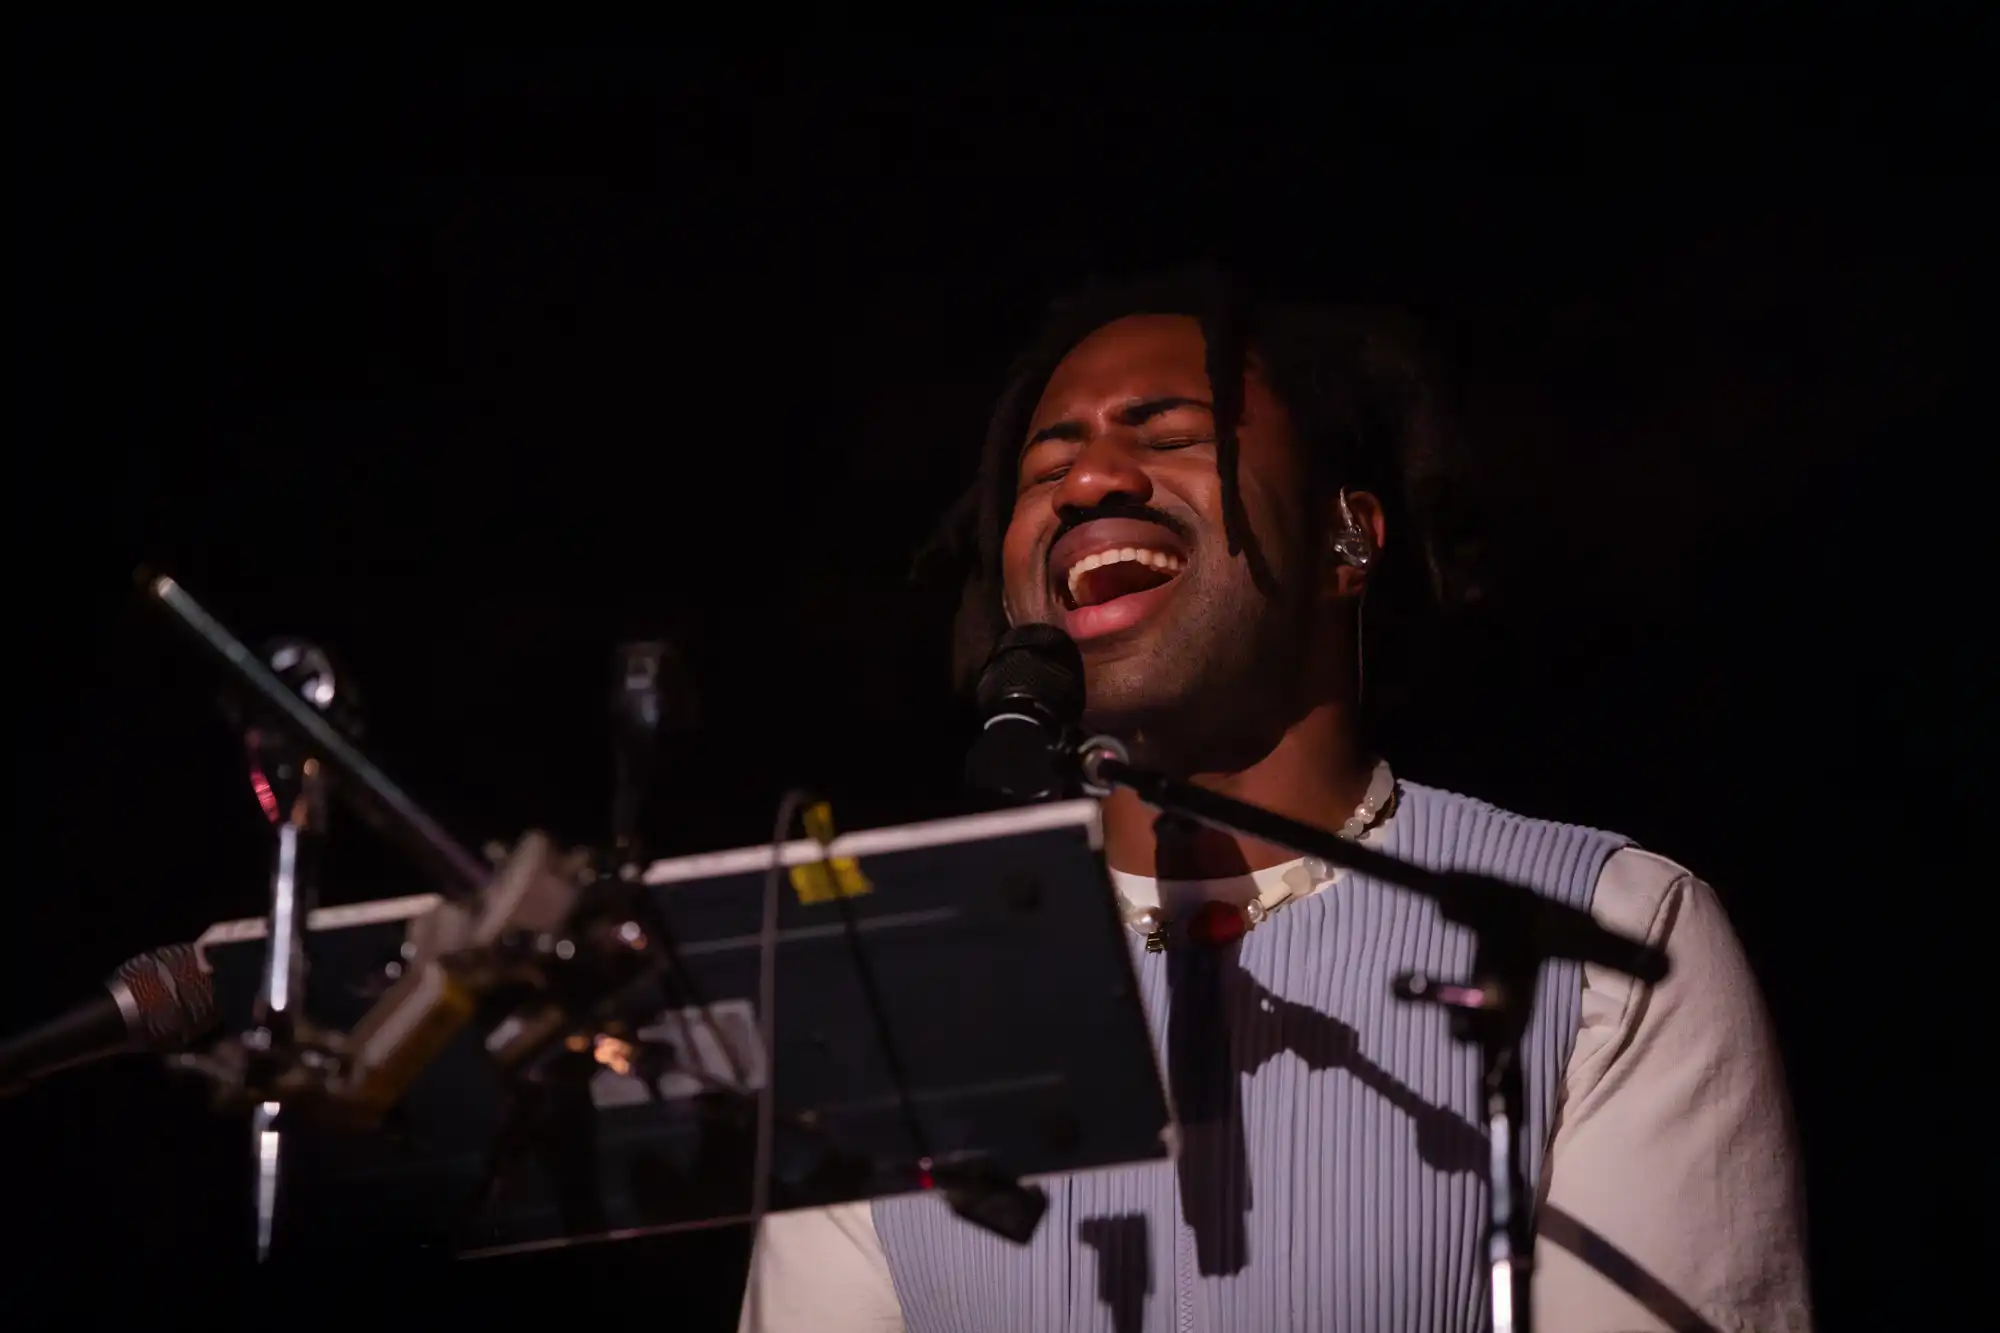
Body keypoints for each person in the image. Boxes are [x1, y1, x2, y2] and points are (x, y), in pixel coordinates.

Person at [739, 270, 1811, 1332]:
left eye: (1165, 432)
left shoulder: (1600, 939)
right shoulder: (891, 995)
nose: (1083, 484)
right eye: (1046, 463)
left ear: (1347, 538)